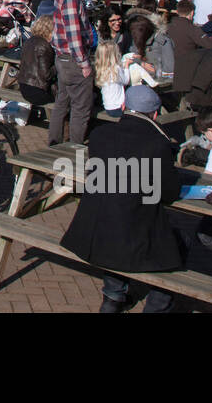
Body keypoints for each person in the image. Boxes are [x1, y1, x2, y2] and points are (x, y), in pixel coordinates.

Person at [61, 84, 182, 312]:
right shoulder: (158, 144)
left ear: (124, 107)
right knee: (176, 243)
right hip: (128, 230)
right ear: (155, 115)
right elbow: (170, 193)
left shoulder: (99, 135)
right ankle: (156, 306)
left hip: (95, 229)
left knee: (116, 224)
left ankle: (113, 297)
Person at [49, 0, 97, 146]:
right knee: (80, 109)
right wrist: (84, 63)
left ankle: (55, 145)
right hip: (72, 58)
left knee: (62, 102)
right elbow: (74, 33)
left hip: (63, 57)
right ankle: (74, 150)